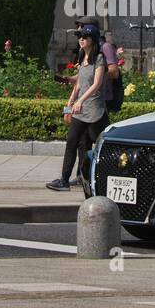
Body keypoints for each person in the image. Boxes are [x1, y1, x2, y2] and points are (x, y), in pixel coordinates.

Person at [47, 24, 108, 192]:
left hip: (95, 111)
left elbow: (96, 84)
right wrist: (70, 101)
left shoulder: (100, 58)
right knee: (72, 142)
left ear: (93, 40)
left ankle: (100, 179)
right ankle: (64, 181)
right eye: (79, 36)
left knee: (101, 146)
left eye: (84, 36)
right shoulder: (82, 57)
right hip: (80, 111)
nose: (80, 39)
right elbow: (80, 82)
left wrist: (81, 100)